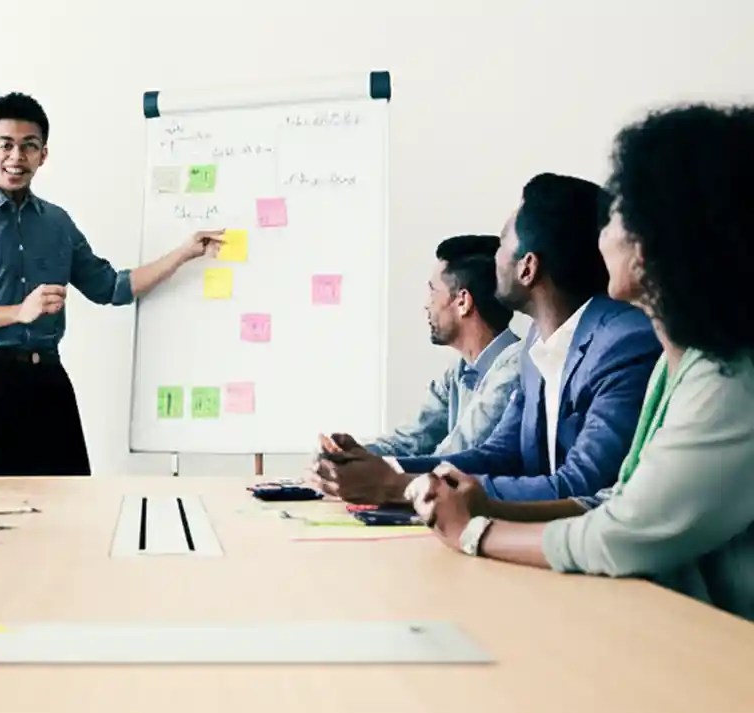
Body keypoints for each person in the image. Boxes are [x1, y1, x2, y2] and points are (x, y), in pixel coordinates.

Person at [421, 104, 754, 621]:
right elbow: (617, 500)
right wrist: (479, 503)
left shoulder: (728, 377)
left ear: (659, 237)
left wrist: (476, 531)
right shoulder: (680, 364)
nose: (604, 234)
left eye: (618, 215)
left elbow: (622, 534)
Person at [0, 92, 223, 477]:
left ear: (43, 155)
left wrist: (184, 253)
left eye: (29, 147)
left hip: (49, 380)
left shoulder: (57, 223)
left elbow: (111, 288)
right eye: (6, 145)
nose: (16, 157)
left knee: (71, 505)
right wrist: (17, 312)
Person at [316, 173, 659, 504]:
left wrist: (401, 487)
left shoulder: (623, 342)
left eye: (503, 242)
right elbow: (501, 456)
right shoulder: (536, 345)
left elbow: (582, 486)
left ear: (528, 268)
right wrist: (383, 469)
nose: (495, 255)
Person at [362, 234, 521, 458]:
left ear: (463, 302)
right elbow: (410, 442)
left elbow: (454, 458)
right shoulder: (458, 371)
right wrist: (351, 456)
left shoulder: (514, 371)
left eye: (433, 291)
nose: (427, 305)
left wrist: (367, 471)